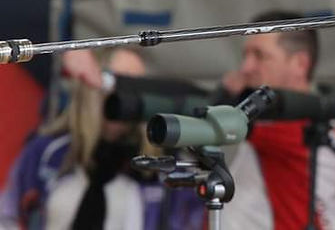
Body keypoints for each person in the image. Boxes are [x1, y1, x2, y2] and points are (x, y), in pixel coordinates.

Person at [0, 49, 202, 230]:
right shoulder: (47, 152)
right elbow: (8, 216)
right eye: (116, 82)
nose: (125, 95)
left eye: (136, 86)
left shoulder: (163, 166)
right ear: (92, 85)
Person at [220, 11, 335, 230]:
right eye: (245, 56)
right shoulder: (268, 123)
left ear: (299, 64)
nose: (246, 68)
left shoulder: (304, 127)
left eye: (260, 56)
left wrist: (223, 96)